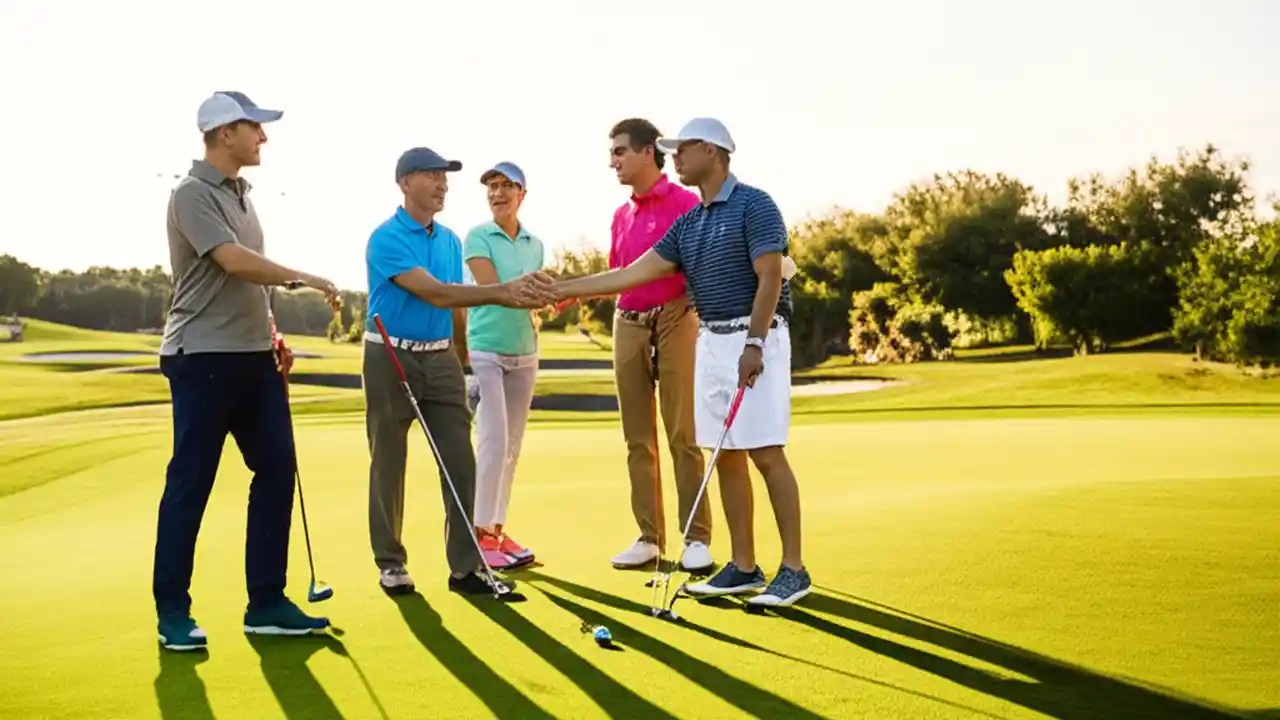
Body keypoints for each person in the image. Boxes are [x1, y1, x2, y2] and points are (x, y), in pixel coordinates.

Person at [553, 117, 810, 608]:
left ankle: (794, 570)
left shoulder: (756, 205)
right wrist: (561, 289)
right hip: (712, 342)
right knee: (726, 455)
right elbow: (631, 274)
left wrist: (753, 345)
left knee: (766, 453)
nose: (675, 157)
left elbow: (770, 277)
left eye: (684, 149)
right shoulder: (690, 223)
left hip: (757, 340)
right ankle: (744, 565)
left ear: (713, 152)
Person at [154, 91, 341, 651]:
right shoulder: (191, 194)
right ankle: (173, 611)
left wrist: (271, 335)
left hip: (253, 358)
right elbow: (233, 262)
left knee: (277, 470)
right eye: (254, 127)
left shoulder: (242, 196)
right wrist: (303, 275)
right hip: (201, 357)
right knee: (192, 483)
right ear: (223, 132)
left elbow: (244, 282)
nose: (263, 137)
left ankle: (266, 602)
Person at [363, 147, 553, 598]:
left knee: (460, 460)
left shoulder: (448, 240)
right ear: (405, 182)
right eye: (432, 176)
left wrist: (463, 364)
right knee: (389, 461)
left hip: (441, 357)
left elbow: (456, 311)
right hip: (391, 355)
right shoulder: (386, 238)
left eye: (445, 178)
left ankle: (466, 568)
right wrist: (504, 292)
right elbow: (436, 294)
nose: (442, 184)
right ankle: (392, 563)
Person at [603, 119, 711, 573]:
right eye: (612, 153)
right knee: (637, 439)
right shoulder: (620, 216)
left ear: (649, 152)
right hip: (627, 322)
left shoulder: (687, 204)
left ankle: (697, 540)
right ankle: (649, 537)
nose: (613, 161)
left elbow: (702, 267)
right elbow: (617, 276)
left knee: (682, 434)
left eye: (621, 152)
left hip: (675, 318)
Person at [462, 162, 544, 570]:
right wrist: (546, 292)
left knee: (511, 447)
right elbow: (492, 289)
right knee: (492, 440)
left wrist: (553, 294)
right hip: (486, 350)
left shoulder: (534, 243)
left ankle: (496, 529)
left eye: (505, 186)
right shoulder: (477, 237)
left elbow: (532, 293)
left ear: (521, 195)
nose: (497, 193)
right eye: (491, 187)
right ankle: (478, 535)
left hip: (525, 351)